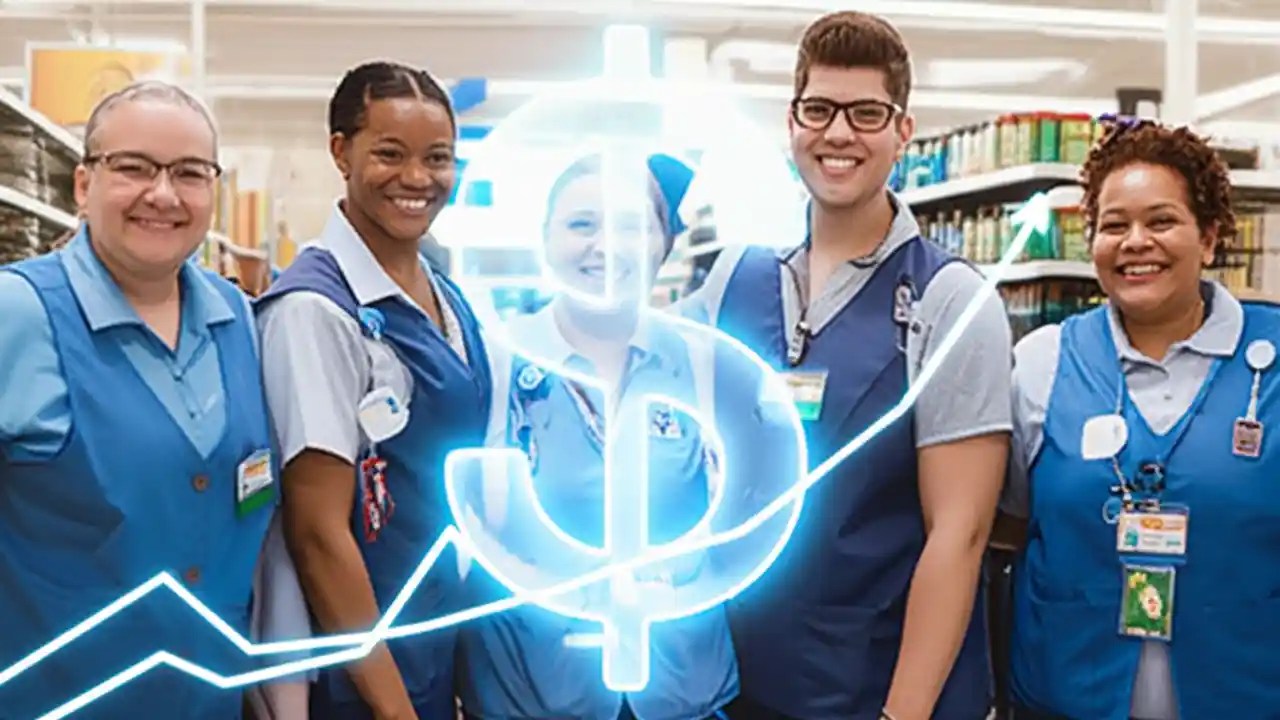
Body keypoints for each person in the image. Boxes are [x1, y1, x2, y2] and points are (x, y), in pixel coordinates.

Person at [682, 11, 1012, 720]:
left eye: (866, 113)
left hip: (881, 689)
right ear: (792, 122)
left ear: (903, 131)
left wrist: (901, 714)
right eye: (819, 110)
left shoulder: (948, 301)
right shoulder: (733, 280)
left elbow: (959, 535)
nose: (838, 133)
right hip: (741, 683)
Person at [453, 151, 772, 720]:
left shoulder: (704, 360)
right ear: (545, 238)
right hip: (534, 695)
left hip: (682, 692)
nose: (605, 246)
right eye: (582, 224)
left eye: (629, 225)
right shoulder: (496, 361)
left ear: (663, 242)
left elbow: (741, 518)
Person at [0, 81, 283, 718]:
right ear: (83, 185)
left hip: (209, 700)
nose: (163, 194)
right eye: (133, 167)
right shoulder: (17, 313)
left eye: (190, 173)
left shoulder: (237, 317)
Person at [1000, 120, 1280, 719]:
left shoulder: (1272, 363)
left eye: (1161, 221)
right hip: (1066, 698)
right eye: (1113, 225)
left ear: (1209, 237)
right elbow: (1012, 523)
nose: (1135, 242)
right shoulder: (1042, 362)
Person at [254, 61, 491, 720]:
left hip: (432, 643)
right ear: (341, 152)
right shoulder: (314, 312)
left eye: (437, 158)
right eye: (390, 154)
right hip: (360, 673)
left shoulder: (447, 297)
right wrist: (395, 709)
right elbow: (317, 534)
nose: (417, 178)